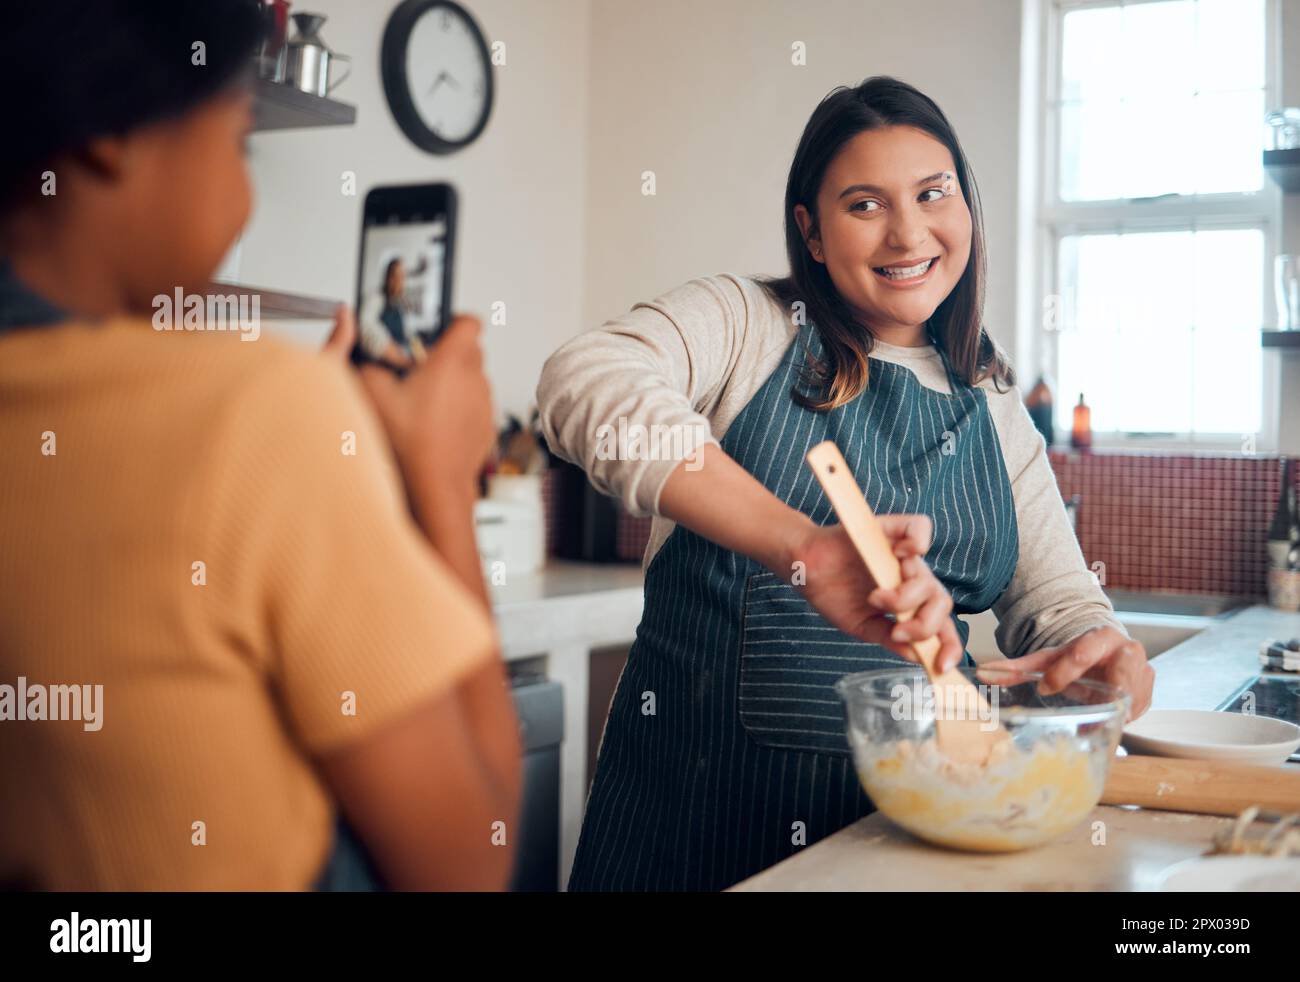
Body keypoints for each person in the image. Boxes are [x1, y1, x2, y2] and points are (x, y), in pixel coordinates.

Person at [537, 76, 1154, 891]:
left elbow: (1062, 611)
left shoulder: (993, 396)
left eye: (933, 194)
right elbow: (583, 382)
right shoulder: (747, 325)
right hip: (696, 836)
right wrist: (801, 544)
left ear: (965, 205)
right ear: (813, 232)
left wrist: (1105, 659)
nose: (908, 233)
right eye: (865, 205)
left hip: (916, 848)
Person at [0, 0, 519, 890]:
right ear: (107, 131)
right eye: (239, 139)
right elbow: (472, 857)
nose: (243, 191)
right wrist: (437, 479)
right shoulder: (254, 413)